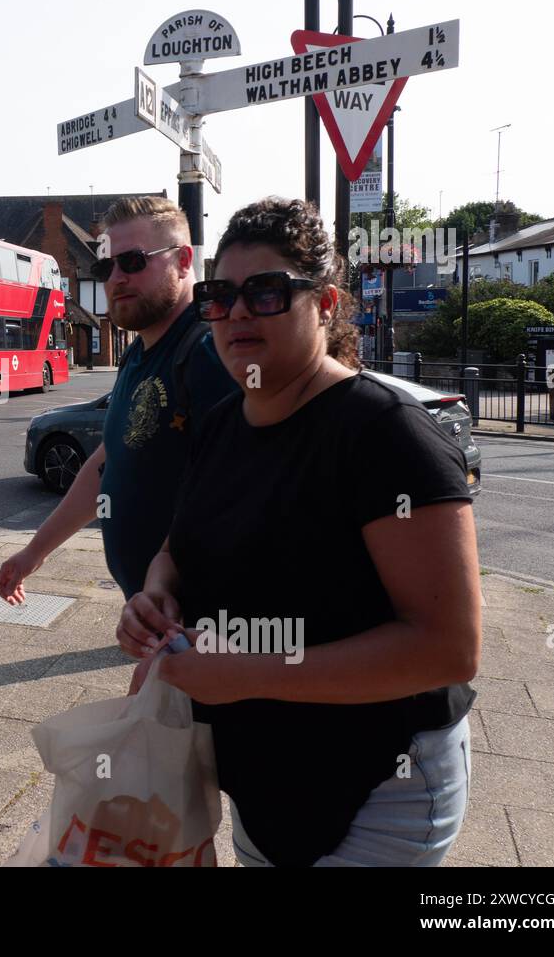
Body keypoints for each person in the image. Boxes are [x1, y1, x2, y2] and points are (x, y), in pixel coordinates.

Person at [123, 196, 481, 867]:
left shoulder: (384, 433)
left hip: (378, 787)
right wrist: (154, 593)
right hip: (261, 787)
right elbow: (179, 545)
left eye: (265, 293)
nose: (235, 313)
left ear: (325, 304)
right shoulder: (224, 424)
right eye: (220, 295)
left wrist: (248, 672)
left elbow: (448, 648)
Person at [0, 196, 236, 605]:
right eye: (106, 266)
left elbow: (239, 494)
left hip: (200, 618)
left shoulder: (210, 351)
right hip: (153, 614)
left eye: (134, 262)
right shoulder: (138, 354)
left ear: (182, 261)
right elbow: (110, 460)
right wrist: (35, 552)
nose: (116, 278)